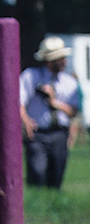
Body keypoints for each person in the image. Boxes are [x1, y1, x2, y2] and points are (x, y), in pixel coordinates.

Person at [19, 36, 83, 188]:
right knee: (37, 172)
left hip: (59, 133)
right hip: (37, 133)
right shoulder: (30, 76)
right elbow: (19, 102)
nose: (65, 61)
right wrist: (26, 121)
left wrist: (55, 103)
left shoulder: (70, 83)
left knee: (56, 176)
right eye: (60, 58)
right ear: (49, 60)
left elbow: (73, 111)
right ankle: (37, 201)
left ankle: (52, 201)